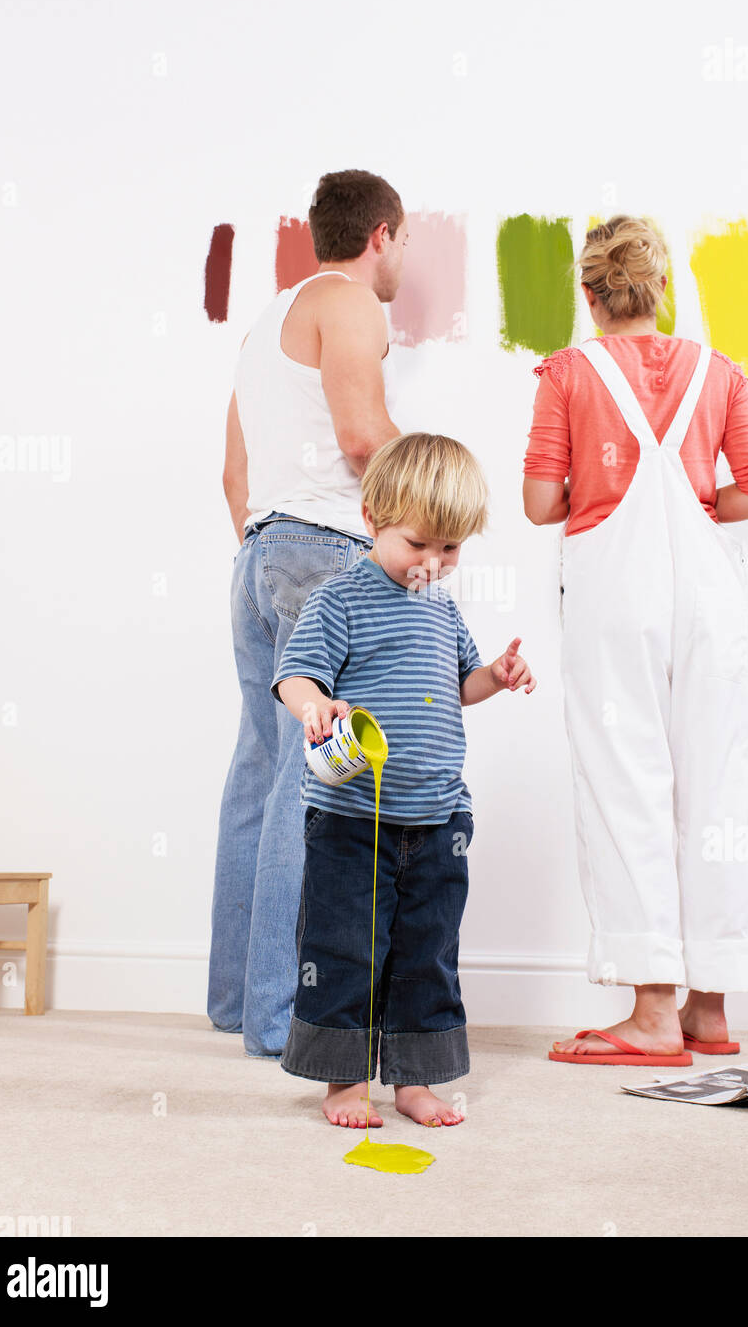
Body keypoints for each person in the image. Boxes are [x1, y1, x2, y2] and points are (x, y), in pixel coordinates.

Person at [522, 216, 748, 1064]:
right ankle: (710, 1006)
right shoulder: (720, 372)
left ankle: (653, 1013)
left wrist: (607, 488)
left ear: (589, 293)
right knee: (720, 781)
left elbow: (540, 503)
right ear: (661, 289)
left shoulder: (568, 373)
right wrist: (695, 502)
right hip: (710, 601)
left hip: (615, 596)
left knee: (626, 778)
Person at [273, 433, 537, 1127]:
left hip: (439, 817)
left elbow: (461, 684)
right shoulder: (340, 599)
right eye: (417, 544)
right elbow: (295, 675)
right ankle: (343, 1082)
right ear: (372, 519)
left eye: (450, 549)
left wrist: (496, 676)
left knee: (428, 953)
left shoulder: (442, 608)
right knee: (345, 950)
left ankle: (416, 1082)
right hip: (353, 819)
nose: (432, 563)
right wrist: (315, 705)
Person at [209, 169, 407, 1056]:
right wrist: (438, 491)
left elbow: (234, 475)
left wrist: (271, 554)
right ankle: (280, 1017)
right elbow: (364, 439)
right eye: (403, 242)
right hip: (326, 553)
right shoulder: (351, 302)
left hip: (259, 555)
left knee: (260, 774)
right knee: (312, 780)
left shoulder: (265, 326)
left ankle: (234, 1000)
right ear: (381, 234)